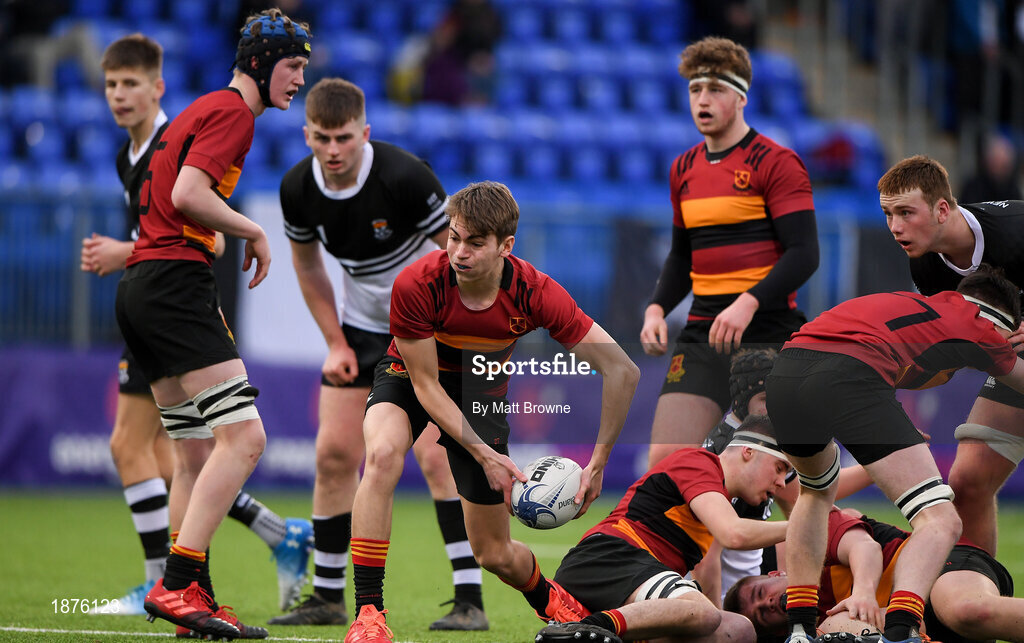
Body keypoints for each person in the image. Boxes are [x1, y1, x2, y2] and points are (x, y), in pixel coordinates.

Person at [341, 181, 640, 643]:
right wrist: (483, 453)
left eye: (476, 243)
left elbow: (622, 370)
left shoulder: (536, 293)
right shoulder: (417, 284)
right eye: (454, 237)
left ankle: (551, 599)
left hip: (481, 391)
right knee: (381, 454)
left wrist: (597, 463)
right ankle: (369, 614)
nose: (459, 252)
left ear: (506, 246)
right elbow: (425, 385)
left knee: (494, 553)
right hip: (410, 375)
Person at [84, 33, 313, 620]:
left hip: (140, 288)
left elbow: (170, 194)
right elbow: (189, 194)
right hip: (174, 284)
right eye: (293, 67)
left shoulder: (200, 109)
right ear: (261, 66)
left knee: (188, 456)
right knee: (245, 439)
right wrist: (253, 230)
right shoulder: (234, 112)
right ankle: (178, 584)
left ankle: (192, 597)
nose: (299, 80)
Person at [271, 77, 488, 631]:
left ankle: (470, 600)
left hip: (426, 333)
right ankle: (326, 595)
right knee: (333, 456)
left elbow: (460, 256)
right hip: (361, 331)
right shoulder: (297, 188)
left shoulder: (405, 178)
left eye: (344, 137)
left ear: (364, 133)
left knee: (438, 459)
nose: (334, 149)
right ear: (306, 136)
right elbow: (307, 265)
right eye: (321, 138)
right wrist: (335, 343)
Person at [764, 266, 1024, 643]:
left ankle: (800, 629)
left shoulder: (909, 303)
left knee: (816, 493)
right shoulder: (982, 328)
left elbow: (913, 369)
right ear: (998, 321)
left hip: (786, 372)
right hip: (850, 375)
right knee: (941, 521)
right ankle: (901, 632)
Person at [640, 36, 819, 468]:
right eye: (695, 90)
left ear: (740, 97)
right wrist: (656, 309)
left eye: (716, 89)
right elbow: (683, 257)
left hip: (768, 330)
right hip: (703, 332)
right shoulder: (683, 168)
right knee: (666, 468)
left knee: (783, 479)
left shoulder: (776, 162)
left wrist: (748, 302)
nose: (703, 99)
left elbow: (804, 252)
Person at [535, 415, 791, 643]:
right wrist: (801, 527)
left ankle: (599, 630)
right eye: (780, 468)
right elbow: (733, 533)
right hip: (607, 558)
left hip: (629, 580)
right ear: (748, 451)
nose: (781, 483)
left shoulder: (716, 495)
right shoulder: (700, 463)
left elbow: (710, 572)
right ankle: (584, 630)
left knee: (736, 630)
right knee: (701, 612)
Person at [879, 154, 1024, 555]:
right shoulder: (926, 269)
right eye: (889, 214)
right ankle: (977, 605)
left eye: (906, 213)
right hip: (1017, 367)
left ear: (943, 209)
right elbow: (947, 357)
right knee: (967, 483)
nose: (895, 227)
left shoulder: (1015, 229)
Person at [698, 349, 871, 604]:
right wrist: (719, 621)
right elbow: (705, 560)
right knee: (839, 530)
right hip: (735, 593)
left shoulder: (752, 439)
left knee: (842, 524)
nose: (776, 409)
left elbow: (801, 494)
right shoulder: (731, 453)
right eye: (766, 399)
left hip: (750, 563)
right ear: (742, 401)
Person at [725, 506, 1020, 643]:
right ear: (779, 631)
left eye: (760, 593)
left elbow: (864, 548)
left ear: (776, 572)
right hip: (919, 628)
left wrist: (862, 593)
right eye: (763, 614)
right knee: (834, 630)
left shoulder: (810, 538)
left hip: (936, 568)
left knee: (966, 609)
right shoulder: (809, 632)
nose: (768, 604)